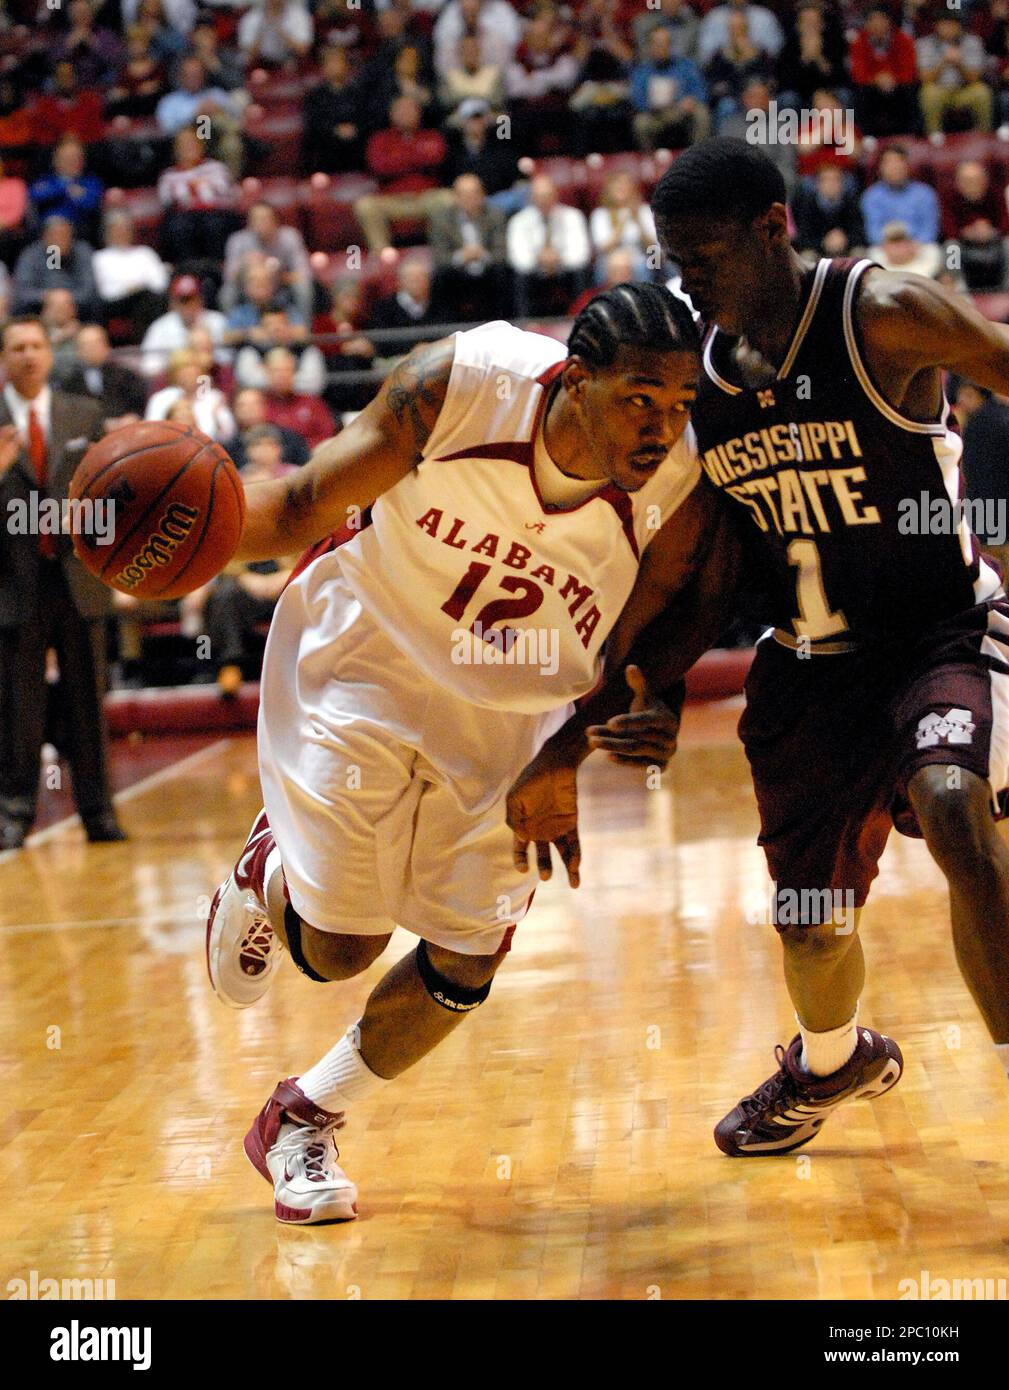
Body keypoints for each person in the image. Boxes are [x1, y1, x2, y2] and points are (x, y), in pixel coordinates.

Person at [507, 136, 1009, 1157]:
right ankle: (830, 1066)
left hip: (937, 636)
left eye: (701, 258)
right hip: (808, 671)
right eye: (672, 264)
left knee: (953, 809)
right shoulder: (703, 383)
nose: (686, 282)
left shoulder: (881, 313)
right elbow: (713, 578)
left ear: (771, 228)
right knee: (813, 923)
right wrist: (624, 701)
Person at [203, 283, 702, 1222]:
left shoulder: (681, 489)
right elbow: (308, 498)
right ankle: (269, 865)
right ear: (575, 380)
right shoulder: (464, 383)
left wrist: (566, 759)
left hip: (511, 720)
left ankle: (302, 1116)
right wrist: (176, 543)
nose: (660, 429)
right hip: (370, 660)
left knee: (465, 962)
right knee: (341, 949)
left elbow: (643, 652)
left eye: (679, 407)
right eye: (640, 399)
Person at [0, 315, 125, 850]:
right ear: (4, 359)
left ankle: (98, 813)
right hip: (12, 582)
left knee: (86, 703)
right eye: (17, 347)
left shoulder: (86, 414)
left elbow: (112, 497)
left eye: (36, 345)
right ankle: (13, 813)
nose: (28, 354)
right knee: (15, 707)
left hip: (79, 579)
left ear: (51, 354)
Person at [506, 174, 591, 318]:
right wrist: (539, 258)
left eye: (547, 195)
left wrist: (558, 258)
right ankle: (525, 323)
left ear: (556, 196)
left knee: (582, 273)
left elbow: (581, 255)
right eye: (539, 196)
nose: (544, 200)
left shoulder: (573, 216)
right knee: (518, 278)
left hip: (565, 270)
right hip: (534, 271)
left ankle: (582, 320)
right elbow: (518, 260)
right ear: (532, 198)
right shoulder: (519, 220)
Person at [429, 173, 510, 321]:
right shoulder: (442, 219)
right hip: (457, 271)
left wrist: (483, 255)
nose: (469, 199)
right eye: (464, 195)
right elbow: (440, 255)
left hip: (488, 269)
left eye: (474, 194)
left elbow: (502, 251)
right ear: (455, 197)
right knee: (440, 275)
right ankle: (446, 327)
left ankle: (504, 323)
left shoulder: (496, 215)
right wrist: (461, 256)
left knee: (504, 271)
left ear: (483, 195)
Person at [917, 13, 993, 136]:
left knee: (982, 92)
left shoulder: (972, 42)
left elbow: (974, 78)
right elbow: (925, 78)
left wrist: (959, 64)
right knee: (928, 93)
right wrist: (943, 62)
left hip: (964, 90)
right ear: (936, 26)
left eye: (952, 24)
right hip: (939, 89)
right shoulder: (925, 44)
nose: (948, 28)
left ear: (960, 26)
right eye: (944, 24)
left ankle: (984, 135)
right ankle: (934, 136)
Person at [61, 323, 149, 430]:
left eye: (96, 344)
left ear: (107, 346)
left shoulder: (125, 375)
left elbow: (139, 404)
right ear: (78, 351)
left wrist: (132, 417)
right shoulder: (70, 382)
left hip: (126, 431)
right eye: (86, 345)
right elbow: (68, 414)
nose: (91, 349)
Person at [12, 216, 100, 322]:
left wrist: (65, 298)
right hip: (39, 311)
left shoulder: (83, 252)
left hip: (78, 312)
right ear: (44, 237)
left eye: (64, 235)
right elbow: (23, 291)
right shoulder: (31, 254)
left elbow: (89, 290)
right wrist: (49, 297)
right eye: (54, 235)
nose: (59, 240)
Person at [860, 145, 939, 250]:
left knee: (933, 252)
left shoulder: (925, 193)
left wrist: (913, 246)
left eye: (898, 162)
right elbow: (872, 231)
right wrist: (890, 246)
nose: (894, 167)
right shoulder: (871, 196)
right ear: (880, 168)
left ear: (907, 166)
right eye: (888, 163)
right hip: (885, 248)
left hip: (918, 246)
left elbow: (930, 229)